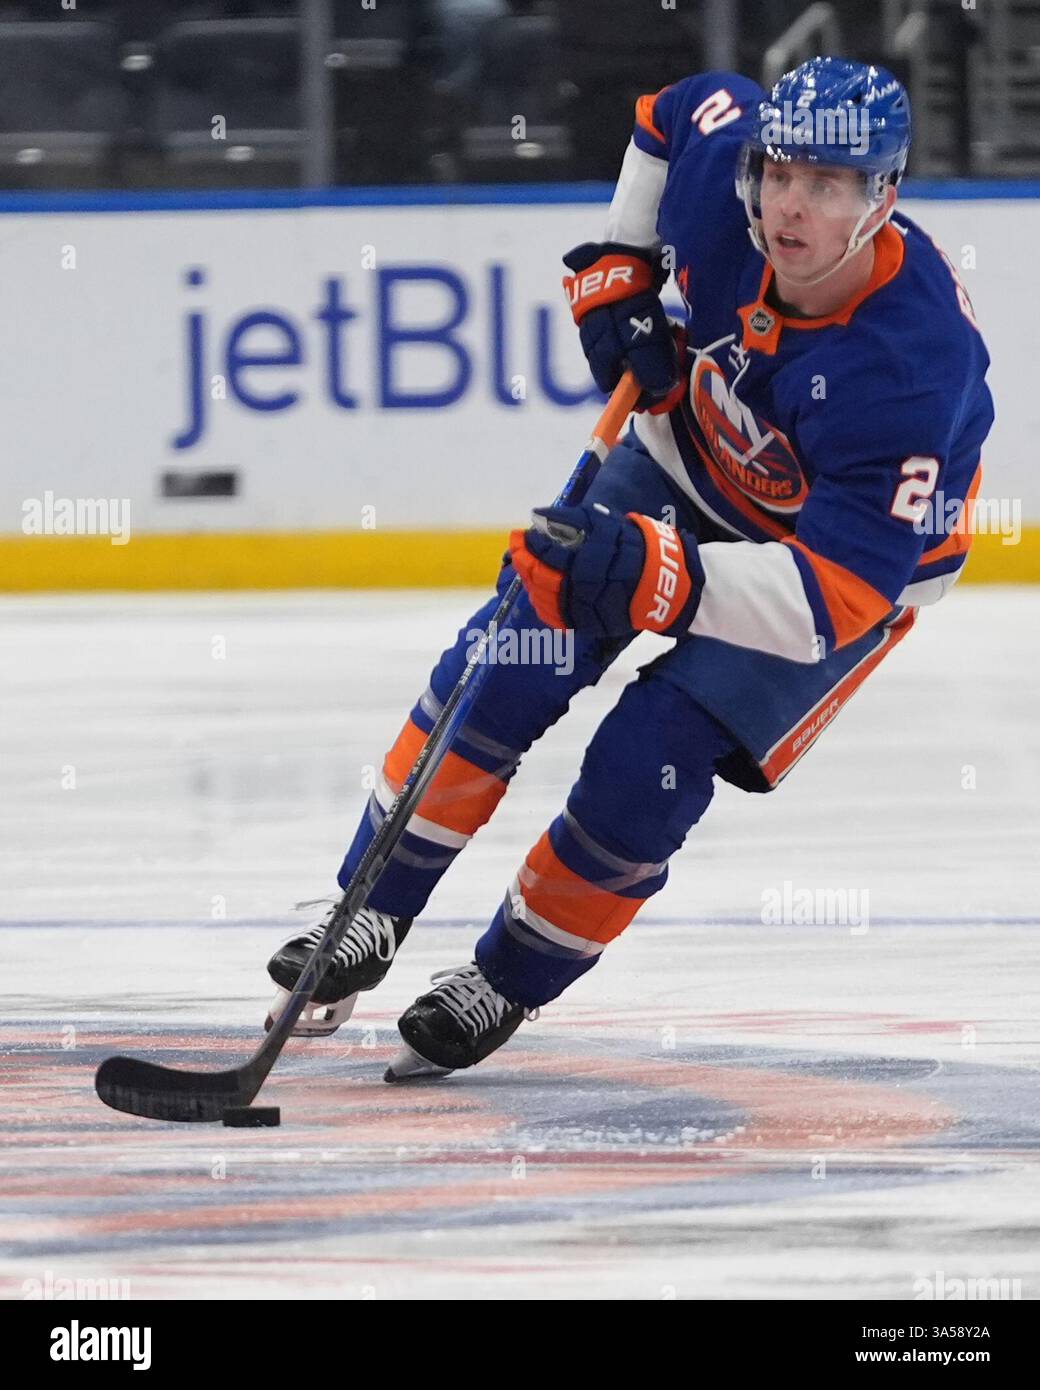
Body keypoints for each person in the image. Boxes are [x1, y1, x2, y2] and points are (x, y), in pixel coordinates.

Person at [265, 57, 994, 1080]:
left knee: (648, 758)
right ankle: (365, 914)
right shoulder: (718, 176)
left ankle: (505, 977)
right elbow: (668, 113)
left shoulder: (908, 364)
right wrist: (618, 261)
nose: (789, 207)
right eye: (779, 174)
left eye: (827, 187)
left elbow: (833, 599)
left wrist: (662, 577)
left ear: (882, 196)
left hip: (826, 569)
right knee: (508, 655)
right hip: (676, 460)